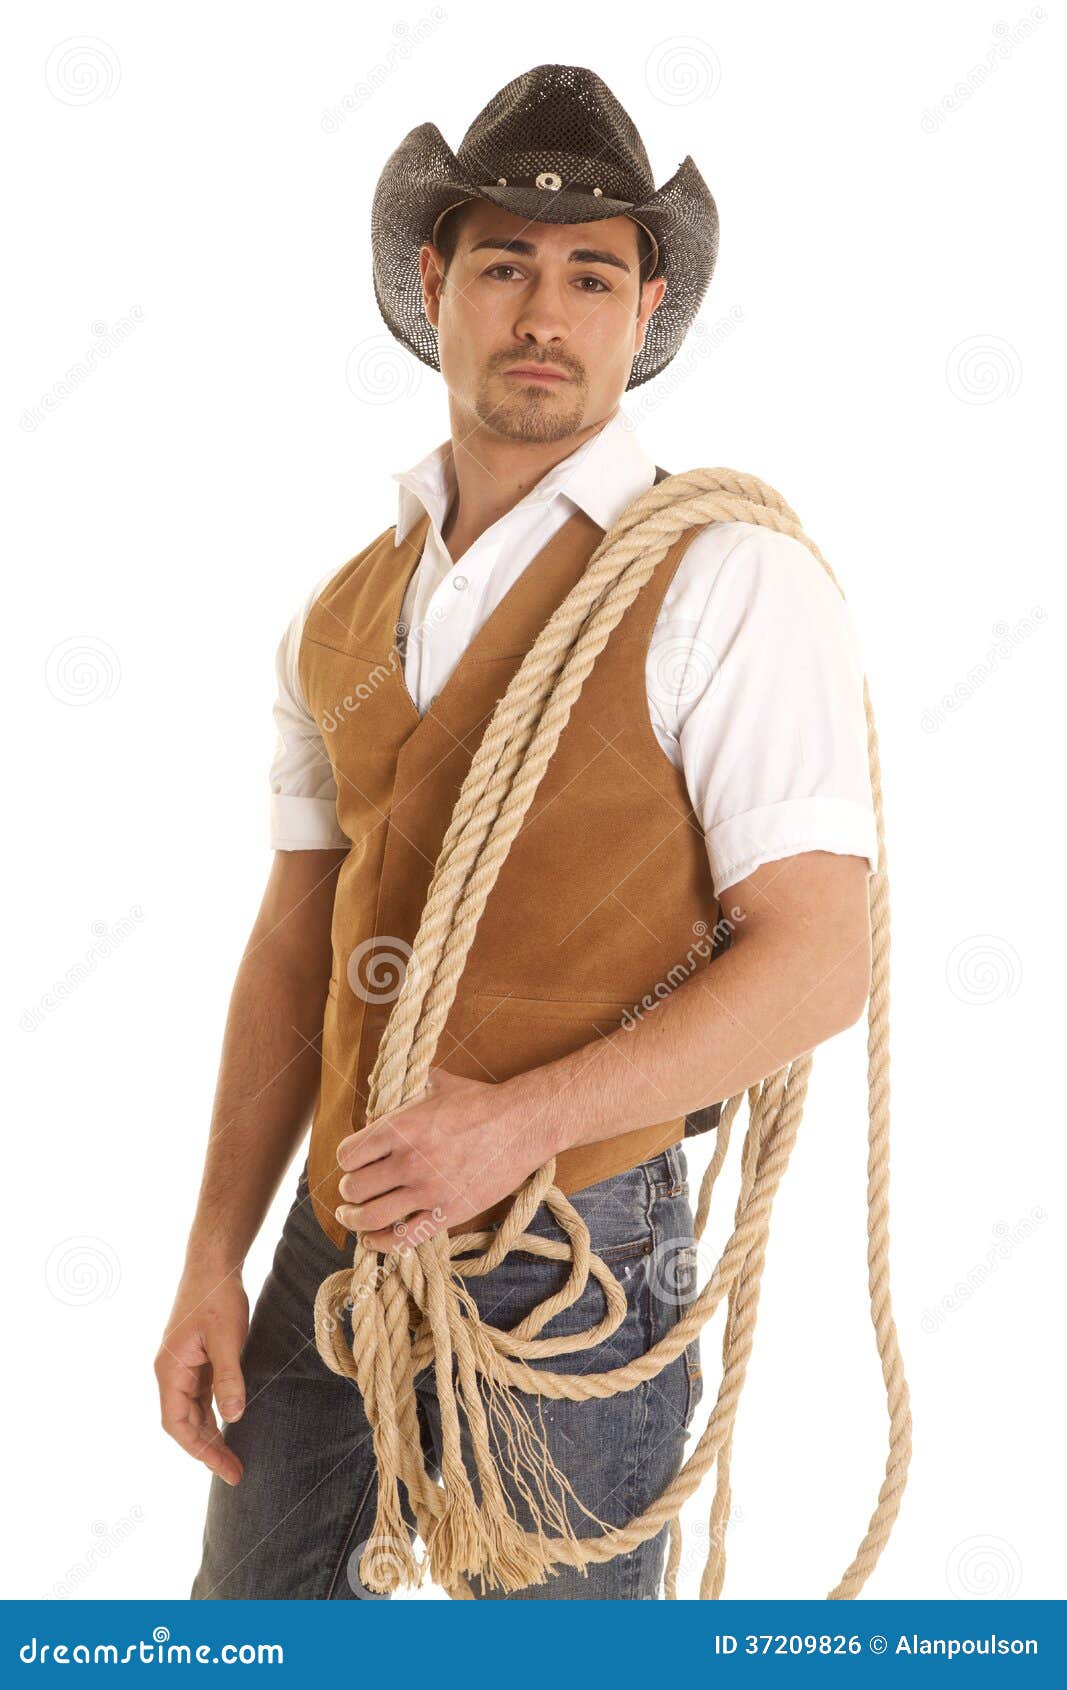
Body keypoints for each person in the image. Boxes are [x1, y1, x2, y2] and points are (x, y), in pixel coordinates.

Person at [157, 64, 877, 1600]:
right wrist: (216, 1247)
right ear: (436, 286)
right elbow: (300, 940)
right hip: (330, 1251)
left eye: (590, 273)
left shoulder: (726, 580)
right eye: (504, 266)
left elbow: (821, 955)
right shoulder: (341, 614)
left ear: (647, 304)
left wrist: (521, 1118)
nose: (543, 312)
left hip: (581, 1259)